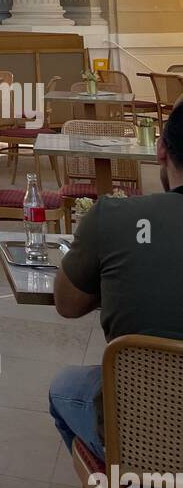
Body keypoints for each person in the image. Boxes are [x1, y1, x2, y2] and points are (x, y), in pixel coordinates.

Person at [48, 101, 183, 460]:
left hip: (140, 434)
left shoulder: (113, 216)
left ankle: (117, 478)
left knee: (63, 387)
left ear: (161, 149)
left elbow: (67, 304)